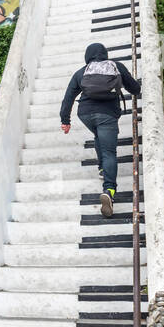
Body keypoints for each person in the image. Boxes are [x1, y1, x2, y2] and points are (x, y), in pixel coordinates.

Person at [60, 42, 141, 218]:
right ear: (105, 54)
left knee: (98, 136)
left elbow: (68, 98)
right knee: (109, 152)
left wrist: (65, 120)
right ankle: (109, 190)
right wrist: (138, 87)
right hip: (107, 115)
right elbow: (134, 88)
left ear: (87, 56)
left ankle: (102, 169)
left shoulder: (81, 72)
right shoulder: (115, 67)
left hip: (86, 114)